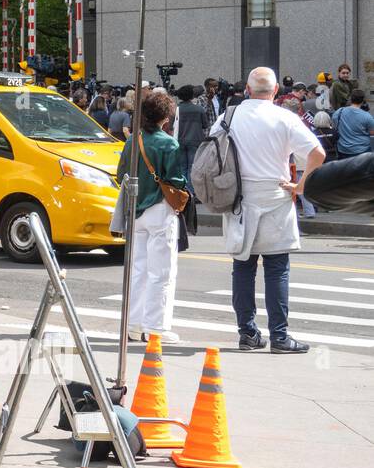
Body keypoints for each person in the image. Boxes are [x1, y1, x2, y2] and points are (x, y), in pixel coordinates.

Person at [212, 67, 324, 354]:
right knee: (277, 270)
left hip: (239, 198)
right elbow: (317, 154)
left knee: (242, 267)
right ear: (275, 92)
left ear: (247, 90)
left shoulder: (229, 116)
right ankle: (280, 336)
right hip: (276, 194)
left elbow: (212, 151)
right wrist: (300, 185)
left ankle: (248, 333)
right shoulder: (285, 117)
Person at [118, 89, 186, 341]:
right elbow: (176, 179)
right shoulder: (169, 143)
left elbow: (120, 174)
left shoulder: (132, 141)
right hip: (160, 209)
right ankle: (156, 326)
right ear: (165, 119)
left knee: (139, 269)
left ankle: (134, 324)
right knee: (162, 271)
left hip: (135, 209)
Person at [175, 85, 207, 192]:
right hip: (195, 139)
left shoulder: (176, 109)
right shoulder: (199, 109)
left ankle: (182, 189)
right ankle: (191, 191)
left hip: (179, 140)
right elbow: (205, 125)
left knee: (182, 166)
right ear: (192, 95)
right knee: (192, 166)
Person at [331, 88, 374, 159]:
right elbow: (372, 132)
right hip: (362, 151)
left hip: (343, 150)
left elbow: (334, 125)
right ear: (363, 101)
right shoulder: (367, 116)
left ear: (350, 99)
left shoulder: (339, 112)